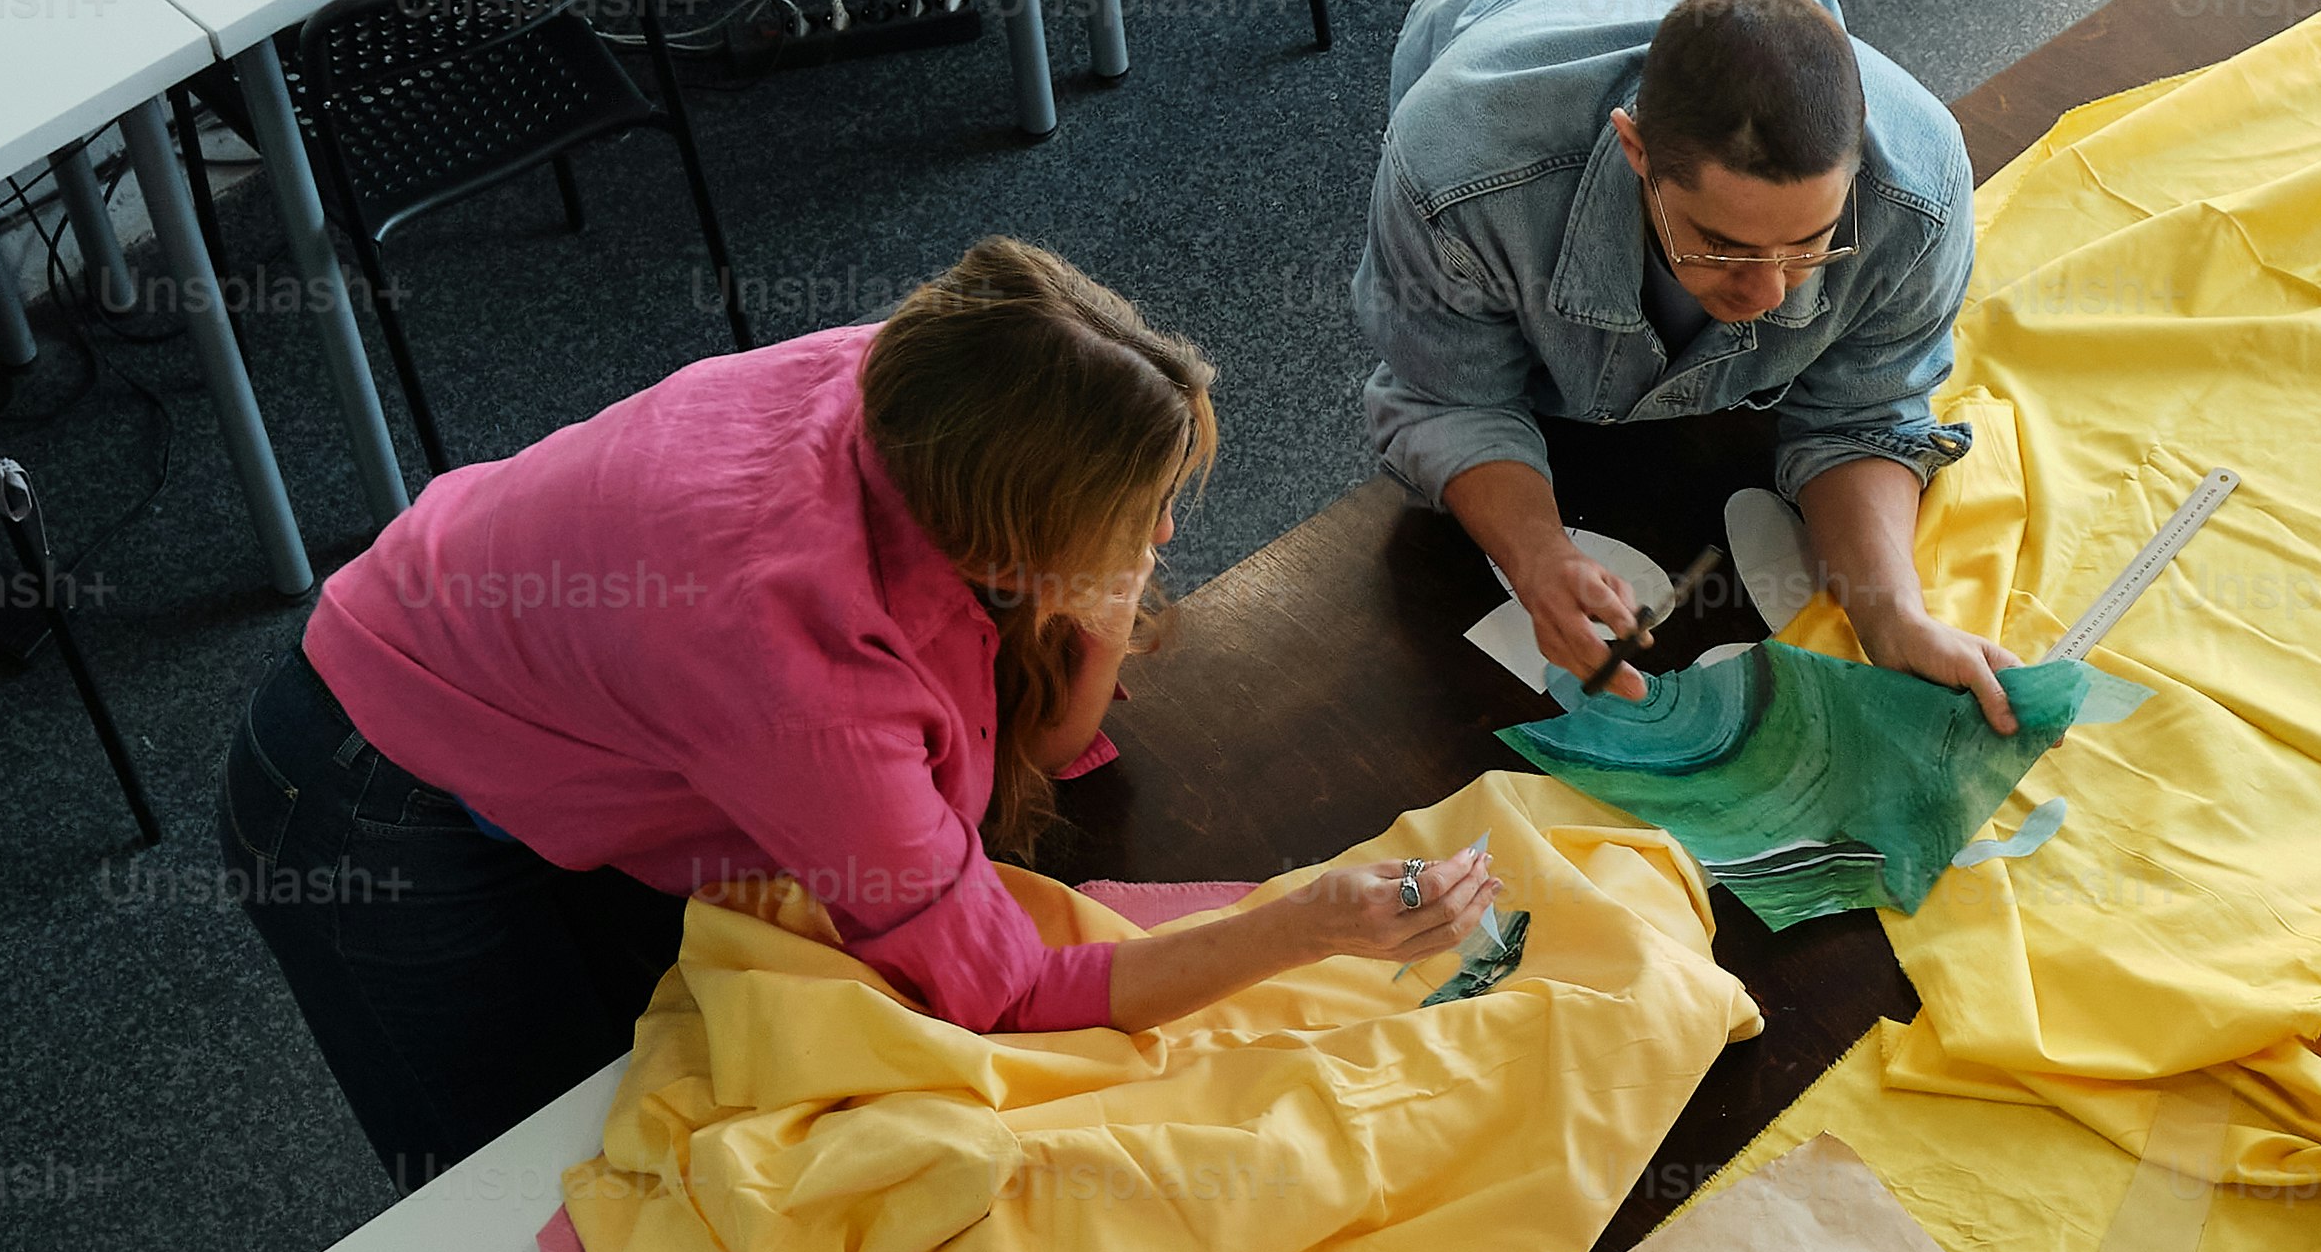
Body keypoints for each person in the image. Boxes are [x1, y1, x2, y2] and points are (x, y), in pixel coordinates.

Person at [227, 236, 1493, 1191]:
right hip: (366, 800)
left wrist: (1095, 580)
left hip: (543, 668)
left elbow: (1038, 734)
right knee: (532, 1177)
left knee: (667, 1069)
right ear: (1008, 541)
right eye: (1135, 520)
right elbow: (1005, 1000)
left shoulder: (920, 386)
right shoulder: (802, 675)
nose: (1163, 536)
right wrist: (1304, 925)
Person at [1356, 0, 2013, 730]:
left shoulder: (1918, 188)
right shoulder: (1456, 170)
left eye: (1809, 243)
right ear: (1636, 150)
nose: (1769, 294)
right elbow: (1446, 398)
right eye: (1723, 246)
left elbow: (1865, 416)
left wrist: (1893, 618)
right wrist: (1537, 554)